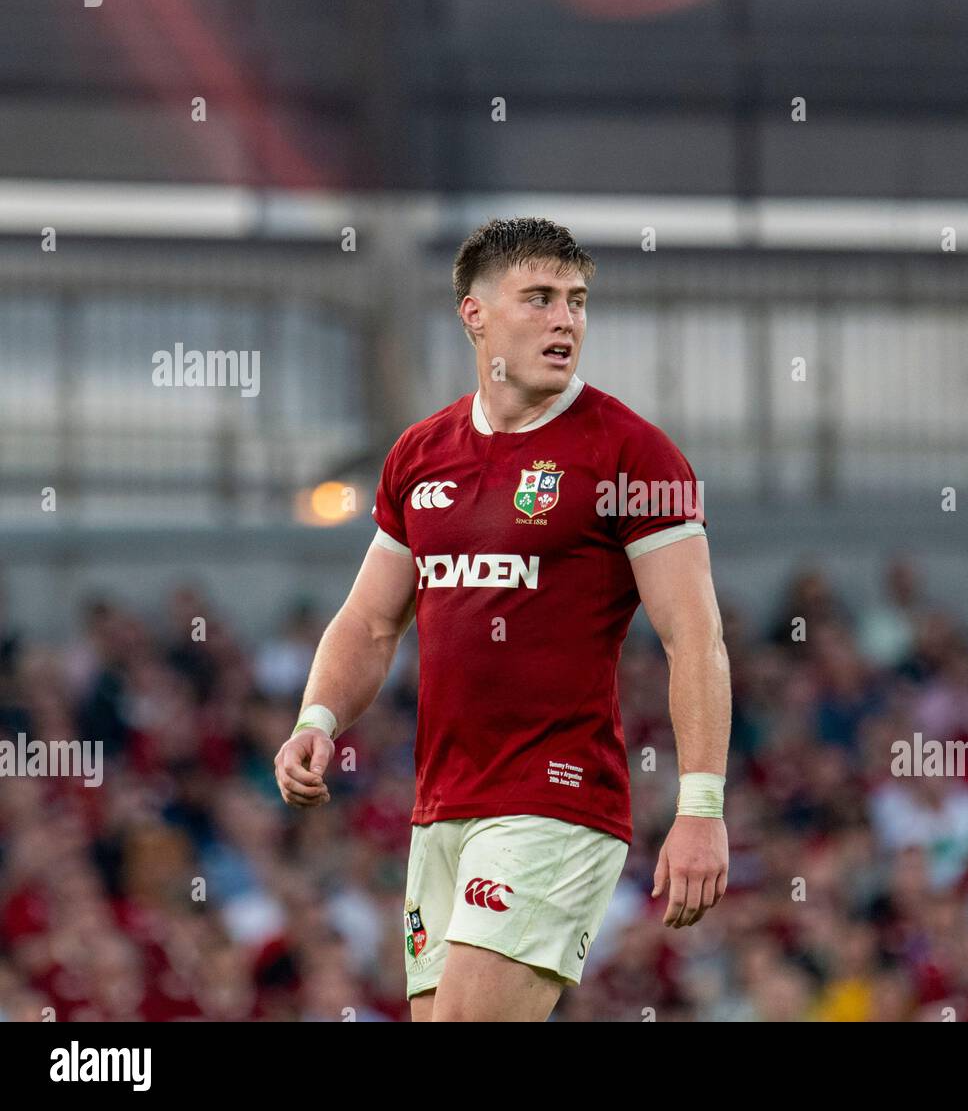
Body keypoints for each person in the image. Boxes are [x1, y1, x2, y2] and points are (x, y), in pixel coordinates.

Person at [273, 217, 731, 1021]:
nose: (566, 320)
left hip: (556, 800)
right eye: (541, 299)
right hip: (442, 806)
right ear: (475, 315)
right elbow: (371, 621)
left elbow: (695, 637)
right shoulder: (420, 455)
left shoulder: (632, 455)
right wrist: (318, 715)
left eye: (577, 302)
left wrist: (700, 810)